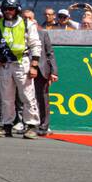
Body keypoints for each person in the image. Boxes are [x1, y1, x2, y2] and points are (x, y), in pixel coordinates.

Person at [0, 0, 41, 139]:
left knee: (27, 95)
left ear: (17, 9)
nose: (8, 11)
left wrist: (34, 65)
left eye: (11, 9)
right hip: (5, 65)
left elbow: (35, 44)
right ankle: (7, 126)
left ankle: (31, 125)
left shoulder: (27, 24)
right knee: (6, 97)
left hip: (22, 62)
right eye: (6, 9)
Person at [27, 8, 58, 137]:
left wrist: (54, 72)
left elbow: (50, 53)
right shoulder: (18, 32)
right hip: (23, 69)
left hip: (41, 70)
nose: (27, 21)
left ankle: (44, 126)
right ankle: (27, 125)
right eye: (25, 18)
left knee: (42, 98)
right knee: (25, 98)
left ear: (34, 20)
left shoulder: (43, 33)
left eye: (30, 18)